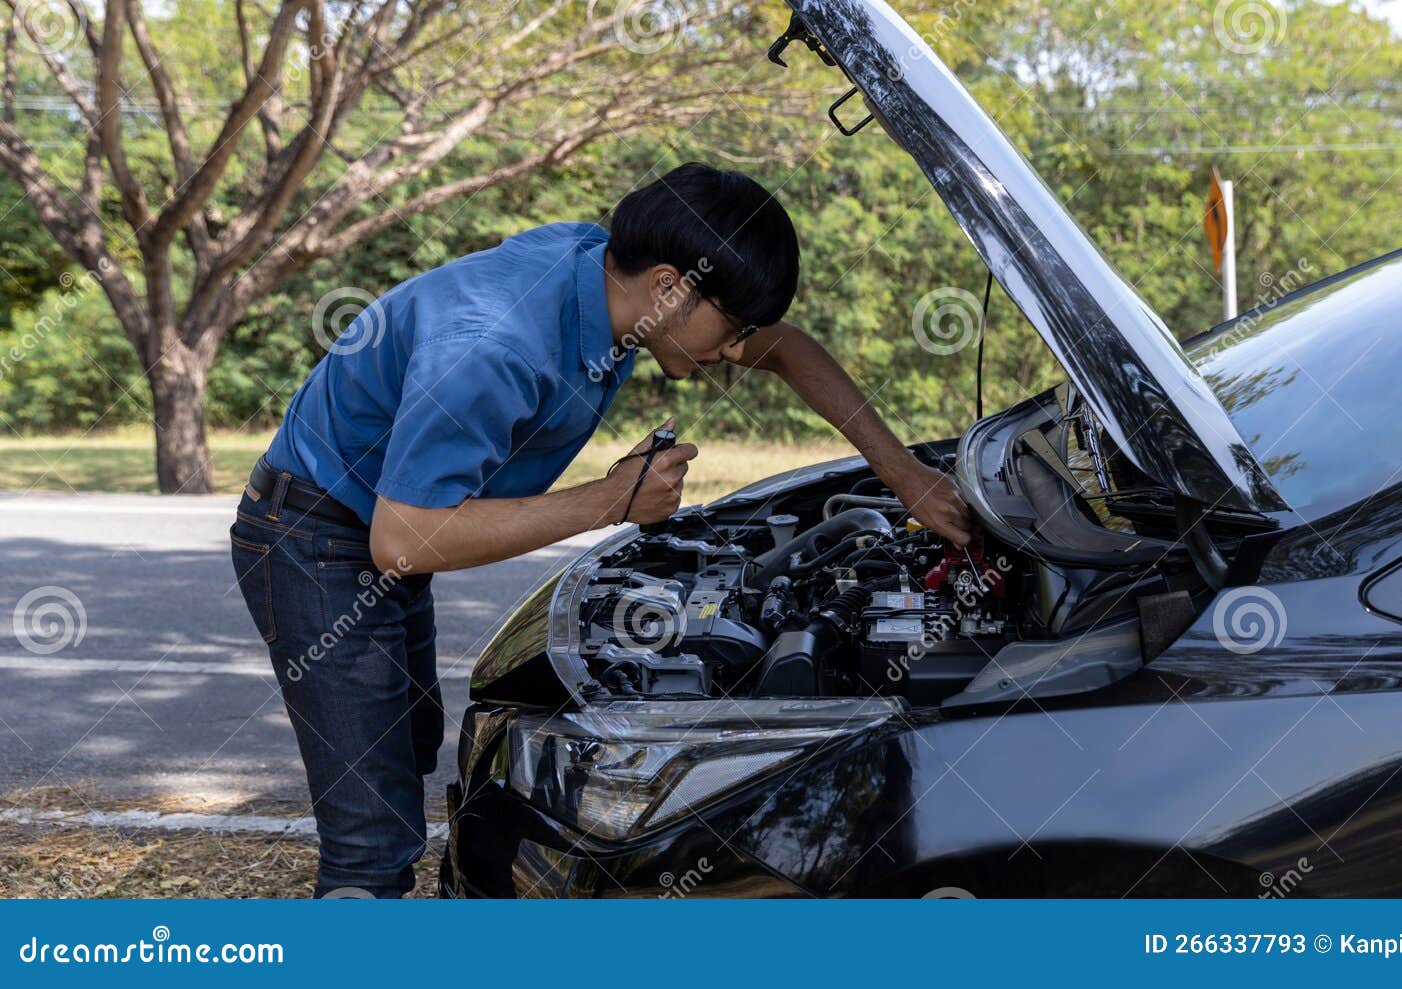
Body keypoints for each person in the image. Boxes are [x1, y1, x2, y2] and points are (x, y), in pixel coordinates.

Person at [229, 162, 972, 897]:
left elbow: (786, 347)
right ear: (668, 286)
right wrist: (612, 499)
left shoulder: (606, 276)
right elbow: (403, 537)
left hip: (371, 524)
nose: (737, 348)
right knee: (370, 838)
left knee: (406, 755)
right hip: (314, 536)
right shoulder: (497, 347)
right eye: (733, 326)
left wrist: (906, 476)